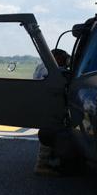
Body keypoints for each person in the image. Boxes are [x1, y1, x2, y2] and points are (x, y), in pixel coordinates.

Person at [34, 49, 71, 177]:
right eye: (63, 59)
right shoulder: (52, 71)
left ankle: (46, 161)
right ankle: (41, 165)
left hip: (42, 105)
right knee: (49, 133)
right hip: (51, 107)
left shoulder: (40, 67)